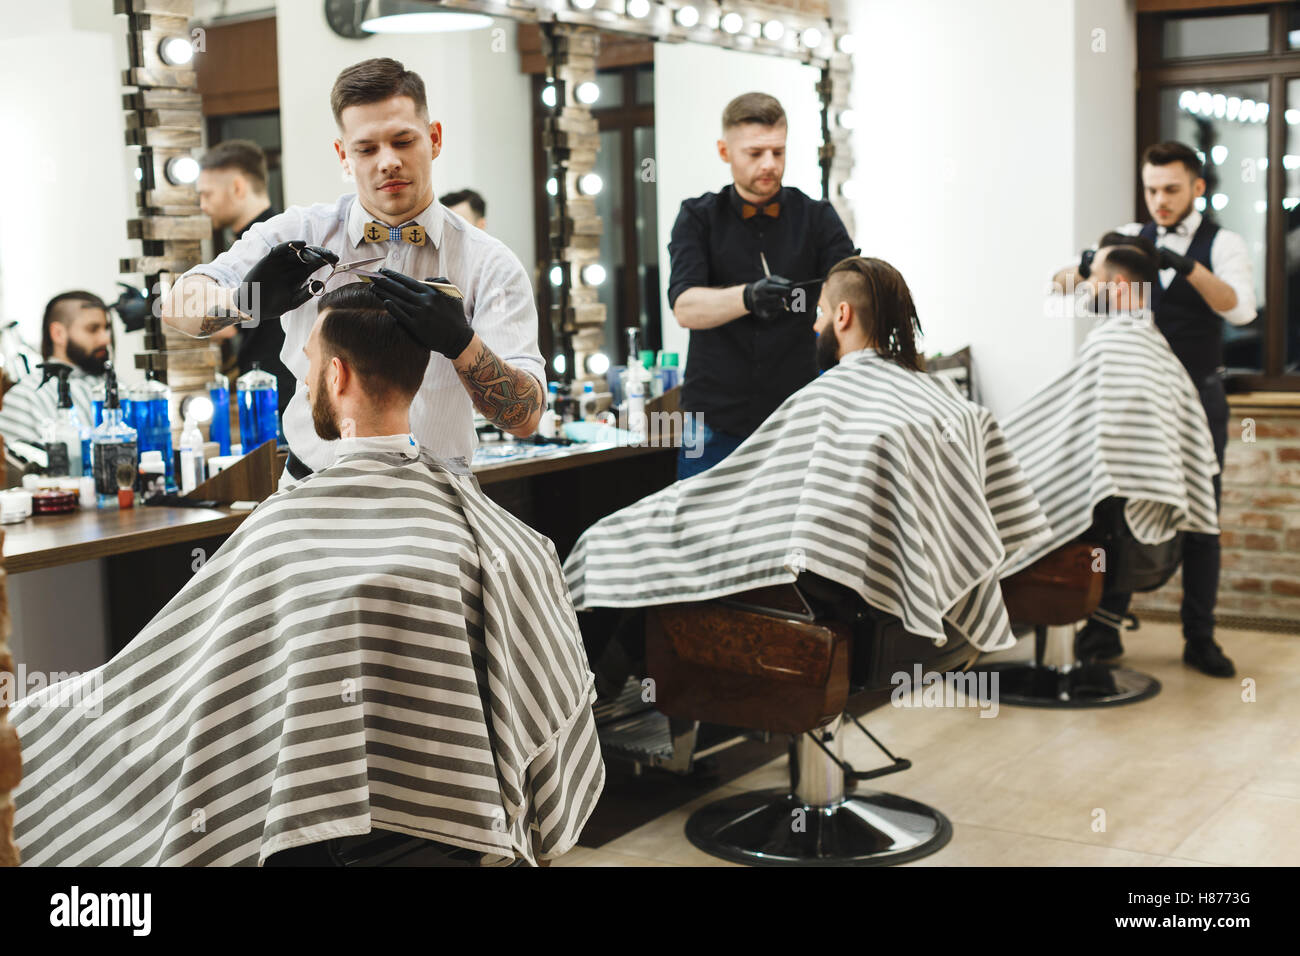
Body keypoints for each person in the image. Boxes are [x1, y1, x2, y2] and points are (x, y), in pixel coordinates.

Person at [10, 282, 603, 867]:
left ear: (337, 376)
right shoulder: (483, 526)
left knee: (50, 719)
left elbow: (197, 688)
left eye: (310, 366)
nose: (306, 380)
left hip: (315, 825)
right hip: (451, 836)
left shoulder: (286, 525)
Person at [566, 257, 1051, 682]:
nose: (815, 326)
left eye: (819, 313)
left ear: (842, 314)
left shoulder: (834, 396)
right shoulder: (939, 396)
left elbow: (736, 495)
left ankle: (590, 706)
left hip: (827, 599)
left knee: (608, 540)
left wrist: (655, 520)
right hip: (881, 601)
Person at [161, 57, 544, 482]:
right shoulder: (300, 232)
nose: (388, 162)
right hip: (313, 486)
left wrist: (462, 344)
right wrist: (244, 301)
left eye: (403, 141)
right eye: (366, 148)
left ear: (434, 139)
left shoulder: (488, 263)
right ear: (344, 156)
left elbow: (524, 419)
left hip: (435, 496)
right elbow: (177, 307)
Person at [1057, 143, 1253, 678]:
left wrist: (1185, 266)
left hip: (1195, 396)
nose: (1159, 201)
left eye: (1170, 189)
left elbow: (1240, 307)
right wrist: (1088, 268)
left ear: (1197, 187)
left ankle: (1200, 636)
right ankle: (1104, 628)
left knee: (1200, 512)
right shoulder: (1128, 236)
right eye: (1151, 190)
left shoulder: (1224, 242)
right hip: (1133, 399)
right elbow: (1066, 289)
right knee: (1118, 506)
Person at [667, 92, 856, 479]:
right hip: (713, 420)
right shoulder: (697, 218)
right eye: (755, 153)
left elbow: (849, 300)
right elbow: (686, 307)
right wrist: (749, 297)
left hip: (797, 415)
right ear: (725, 151)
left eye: (778, 152)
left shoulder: (817, 218)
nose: (770, 164)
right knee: (704, 534)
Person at [197, 139, 296, 417]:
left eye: (207, 195)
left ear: (238, 187)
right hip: (267, 386)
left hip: (279, 390)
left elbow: (223, 324)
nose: (203, 205)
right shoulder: (254, 243)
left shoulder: (269, 245)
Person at [0, 291, 109, 445]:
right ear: (58, 333)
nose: (106, 338)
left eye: (106, 328)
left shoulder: (112, 385)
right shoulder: (25, 397)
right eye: (93, 329)